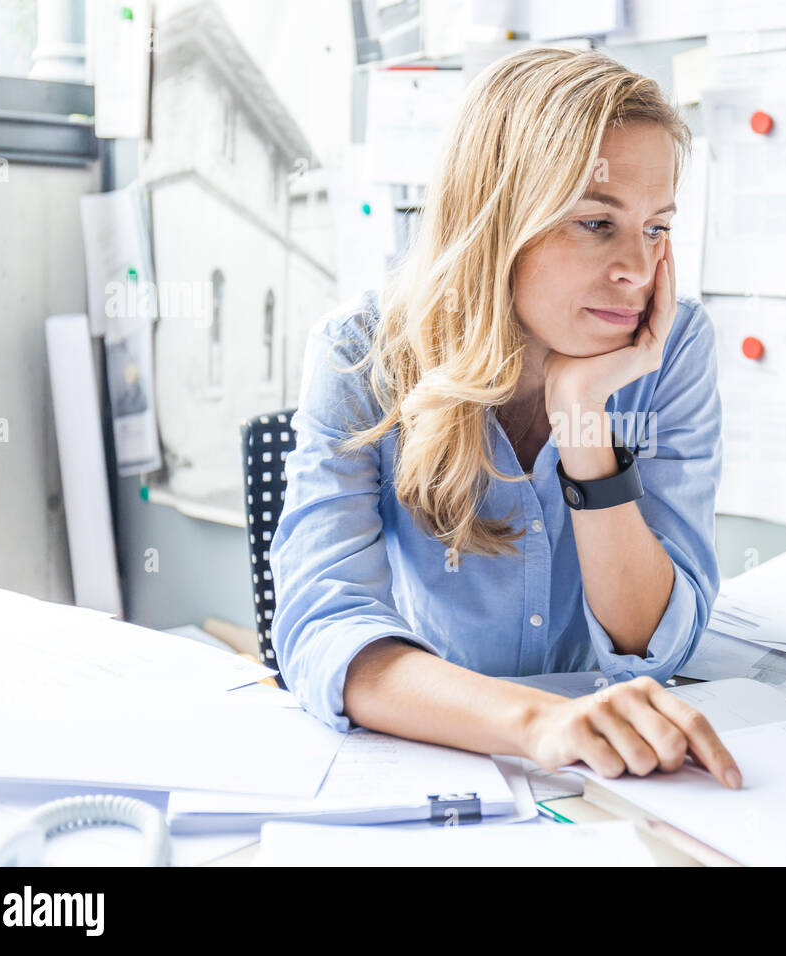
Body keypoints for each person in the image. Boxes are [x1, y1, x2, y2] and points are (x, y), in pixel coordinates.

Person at [272, 47, 741, 789]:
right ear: (498, 219)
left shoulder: (671, 346)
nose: (638, 270)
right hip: (434, 755)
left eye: (656, 229)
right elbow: (324, 632)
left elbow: (655, 643)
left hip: (612, 774)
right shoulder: (360, 353)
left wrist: (584, 417)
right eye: (596, 223)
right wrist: (536, 722)